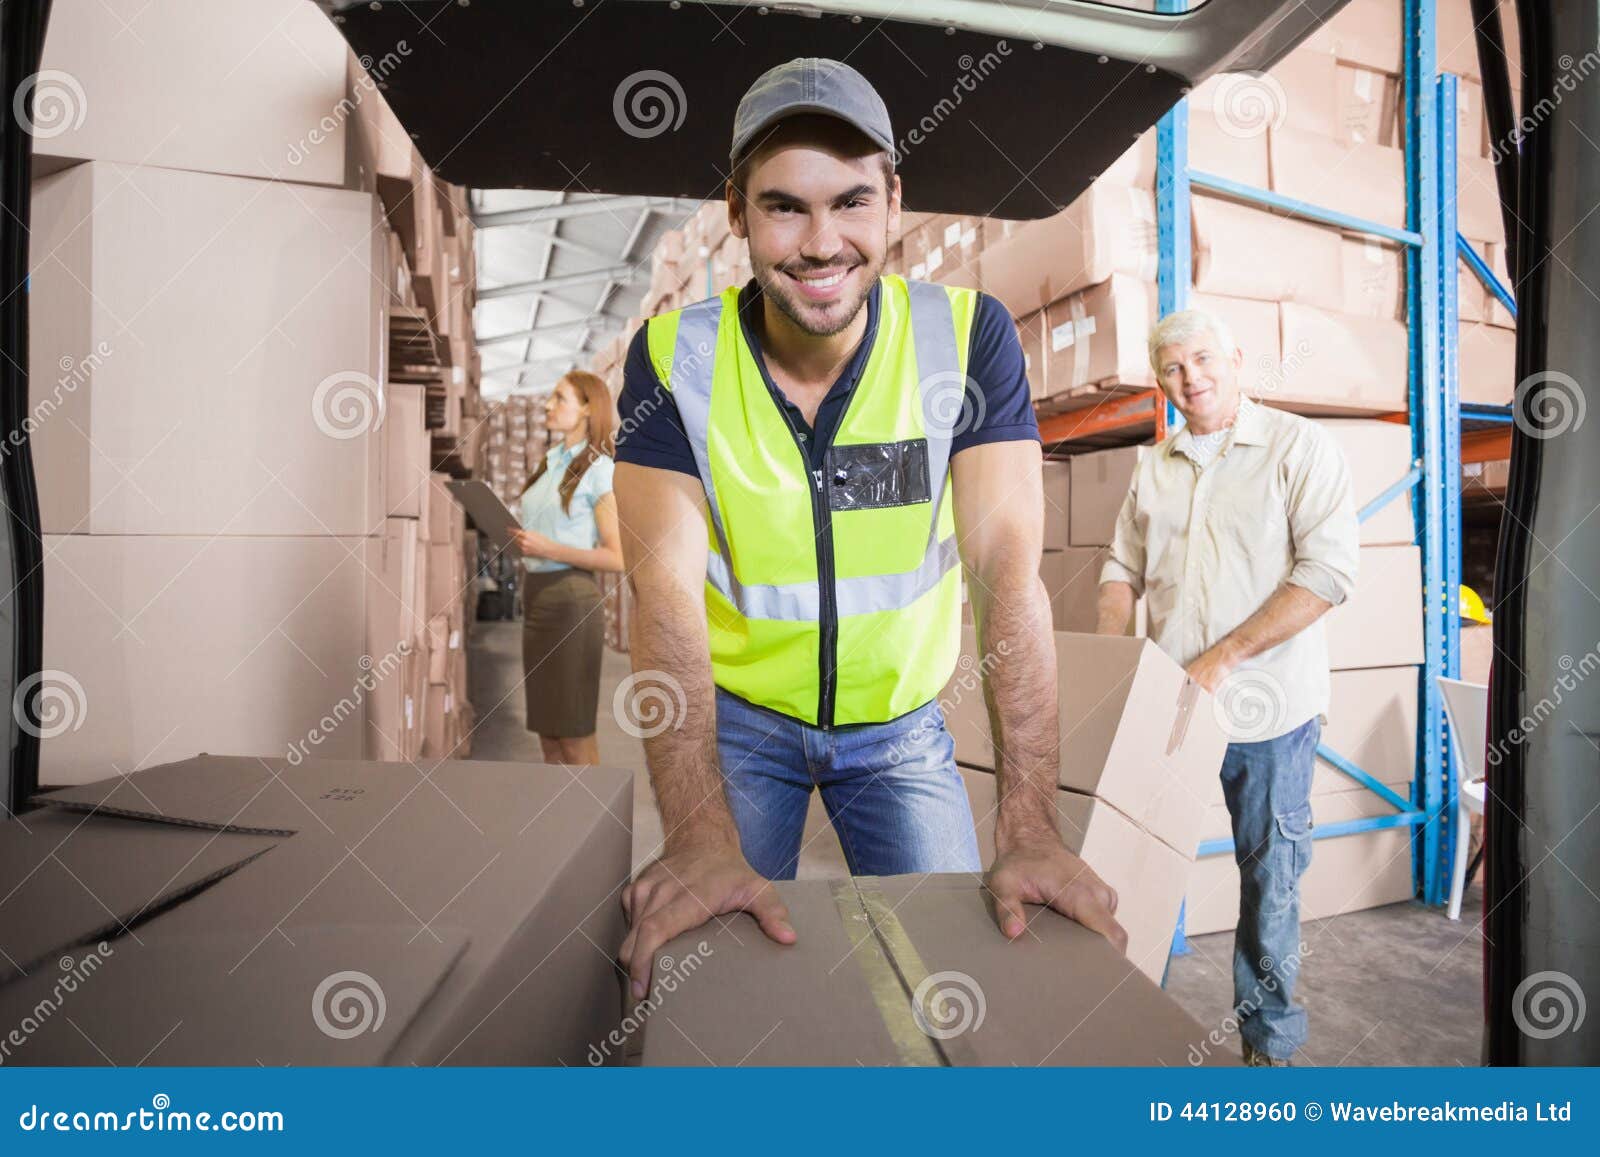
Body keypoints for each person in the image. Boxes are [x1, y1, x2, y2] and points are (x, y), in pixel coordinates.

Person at [611, 57, 1127, 1000]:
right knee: (714, 983)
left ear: (893, 202)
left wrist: (1031, 827)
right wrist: (695, 834)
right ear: (737, 213)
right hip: (741, 723)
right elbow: (663, 589)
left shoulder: (964, 338)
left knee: (956, 976)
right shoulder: (674, 358)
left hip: (900, 730)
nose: (821, 244)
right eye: (784, 207)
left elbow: (1007, 572)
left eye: (850, 202)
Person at [1094, 309, 1359, 1066]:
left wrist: (1223, 658)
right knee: (1134, 866)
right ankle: (1128, 1029)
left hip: (1270, 708)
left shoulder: (1297, 447)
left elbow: (1328, 574)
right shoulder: (1155, 467)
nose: (1192, 379)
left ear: (1238, 359)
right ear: (1159, 379)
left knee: (1270, 879)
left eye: (1204, 359)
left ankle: (1267, 1048)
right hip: (1169, 708)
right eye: (1173, 368)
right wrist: (1111, 653)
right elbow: (1121, 569)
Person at [512, 370, 624, 766]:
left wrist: (549, 548)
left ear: (588, 409)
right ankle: (559, 809)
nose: (548, 405)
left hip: (572, 602)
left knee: (574, 735)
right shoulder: (549, 463)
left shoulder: (600, 471)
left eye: (559, 398)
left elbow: (617, 556)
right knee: (548, 734)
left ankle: (594, 809)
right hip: (536, 597)